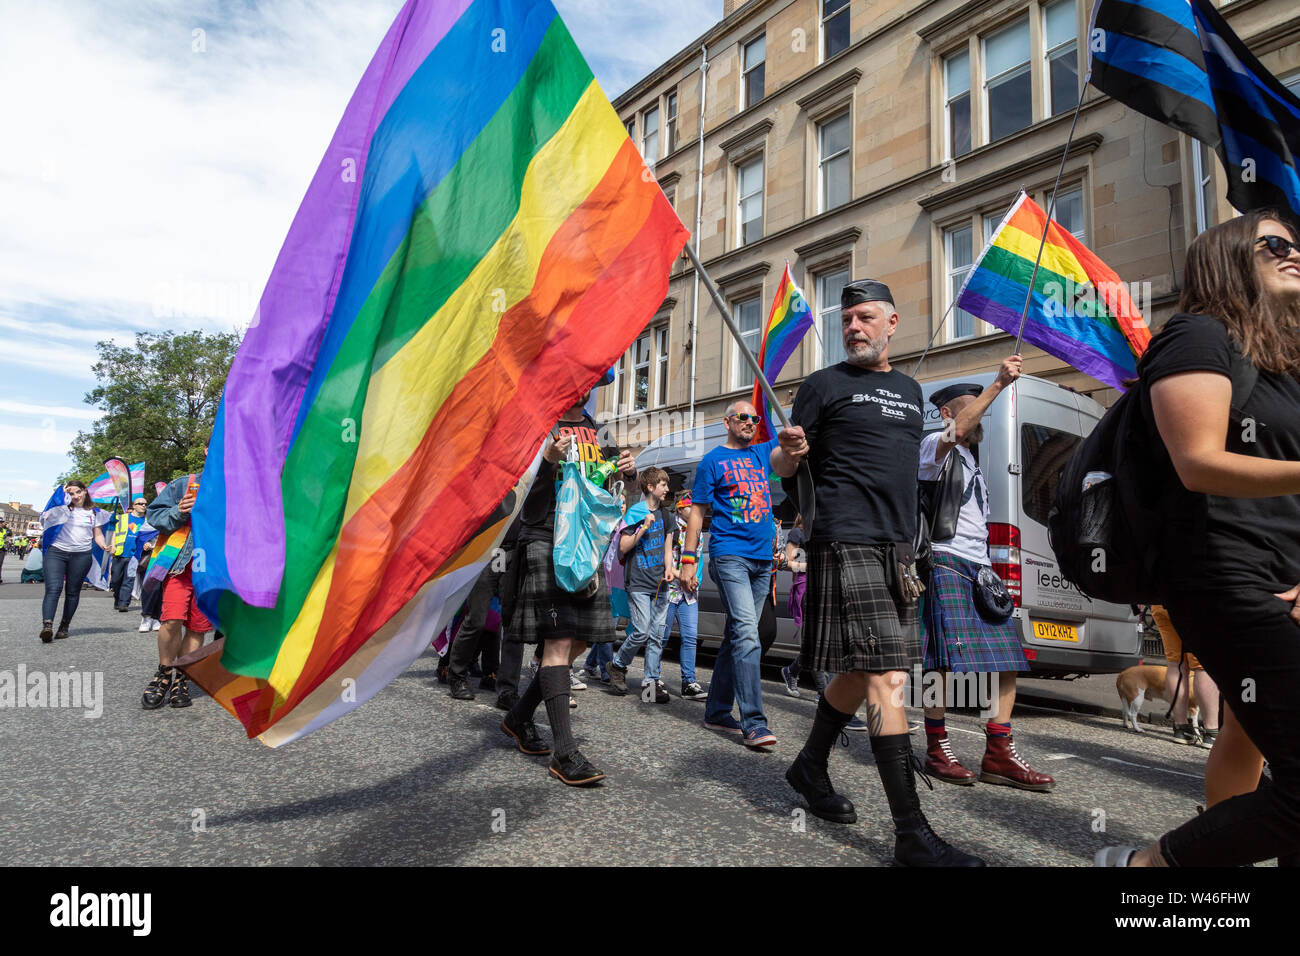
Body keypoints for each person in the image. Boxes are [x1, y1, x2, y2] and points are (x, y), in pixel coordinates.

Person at [1096, 211, 1300, 867]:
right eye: (1275, 244)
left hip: (1285, 575)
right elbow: (1198, 460)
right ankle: (1147, 867)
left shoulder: (1284, 366)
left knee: (1247, 728)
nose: (1294, 253)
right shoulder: (1195, 337)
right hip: (1222, 576)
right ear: (1230, 257)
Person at [774, 278, 983, 866]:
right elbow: (781, 466)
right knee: (889, 677)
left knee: (858, 672)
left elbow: (919, 465)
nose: (853, 327)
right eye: (846, 320)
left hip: (898, 551)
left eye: (865, 317)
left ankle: (809, 766)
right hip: (844, 538)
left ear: (892, 323)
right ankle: (911, 835)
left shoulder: (912, 391)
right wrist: (788, 452)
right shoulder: (822, 385)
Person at [916, 367, 1055, 792]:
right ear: (946, 413)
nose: (982, 413)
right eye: (973, 405)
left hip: (980, 567)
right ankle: (937, 747)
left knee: (1007, 660)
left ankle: (998, 751)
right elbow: (958, 430)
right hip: (945, 561)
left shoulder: (971, 462)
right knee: (941, 663)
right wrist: (997, 385)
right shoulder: (931, 448)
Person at [500, 390, 635, 786]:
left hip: (587, 542)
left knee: (584, 641)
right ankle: (565, 754)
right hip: (546, 536)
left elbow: (606, 484)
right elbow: (516, 491)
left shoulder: (600, 432)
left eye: (591, 378)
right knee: (559, 643)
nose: (584, 385)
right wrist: (546, 461)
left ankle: (519, 717)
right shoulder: (539, 427)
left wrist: (624, 472)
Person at [681, 400, 804, 749]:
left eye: (754, 418)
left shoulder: (763, 452)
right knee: (749, 634)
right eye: (743, 417)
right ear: (727, 422)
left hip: (762, 560)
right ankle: (754, 722)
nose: (750, 422)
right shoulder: (712, 461)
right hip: (729, 556)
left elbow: (785, 460)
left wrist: (791, 444)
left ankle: (718, 711)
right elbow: (696, 513)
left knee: (738, 634)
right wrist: (689, 559)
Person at [141, 471, 211, 710]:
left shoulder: (237, 486)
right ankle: (164, 672)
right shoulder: (186, 483)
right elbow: (154, 515)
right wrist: (179, 510)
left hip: (211, 570)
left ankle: (181, 676)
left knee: (197, 628)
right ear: (207, 451)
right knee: (171, 620)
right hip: (179, 566)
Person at [608, 467, 676, 702]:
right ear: (650, 487)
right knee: (642, 631)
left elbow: (668, 549)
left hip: (660, 585)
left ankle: (651, 685)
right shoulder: (636, 512)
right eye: (663, 484)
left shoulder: (667, 516)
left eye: (667, 485)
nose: (667, 489)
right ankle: (617, 665)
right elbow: (623, 547)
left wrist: (669, 568)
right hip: (637, 581)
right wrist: (643, 527)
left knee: (657, 635)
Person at [38, 481, 112, 643]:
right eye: (71, 493)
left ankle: (64, 626)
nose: (76, 496)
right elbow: (46, 515)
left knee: (72, 592)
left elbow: (97, 534)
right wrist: (61, 495)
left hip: (81, 555)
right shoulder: (60, 510)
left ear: (85, 491)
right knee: (54, 588)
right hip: (56, 552)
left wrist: (104, 545)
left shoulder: (94, 513)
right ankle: (47, 626)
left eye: (78, 492)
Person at [1149, 605, 1220, 746]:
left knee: (1175, 665)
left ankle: (1181, 728)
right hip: (1194, 602)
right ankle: (1211, 731)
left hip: (1161, 602)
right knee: (1202, 667)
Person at [663, 493, 706, 700]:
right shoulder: (671, 528)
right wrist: (683, 577)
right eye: (690, 507)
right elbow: (667, 561)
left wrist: (693, 579)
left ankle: (689, 682)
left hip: (688, 592)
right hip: (669, 590)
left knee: (690, 638)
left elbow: (696, 558)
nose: (695, 512)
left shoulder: (698, 531)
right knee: (660, 638)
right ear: (680, 509)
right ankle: (652, 680)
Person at [445, 563, 505, 701]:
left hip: (509, 552)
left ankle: (491, 674)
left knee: (497, 620)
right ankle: (456, 675)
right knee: (476, 620)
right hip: (486, 555)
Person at [109, 497, 150, 612]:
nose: (143, 506)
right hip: (120, 553)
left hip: (135, 555)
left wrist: (147, 543)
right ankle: (117, 599)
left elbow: (150, 537)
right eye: (140, 503)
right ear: (134, 506)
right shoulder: (122, 518)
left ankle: (124, 603)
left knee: (129, 579)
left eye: (145, 504)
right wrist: (112, 545)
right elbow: (115, 532)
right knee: (116, 580)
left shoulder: (147, 521)